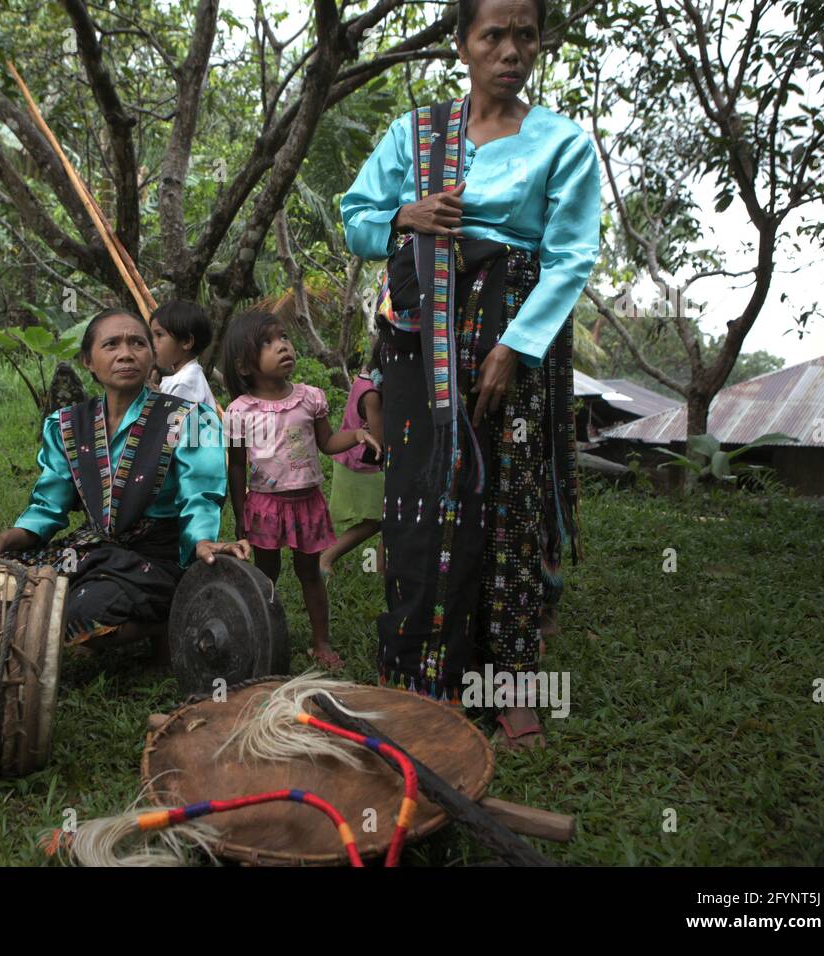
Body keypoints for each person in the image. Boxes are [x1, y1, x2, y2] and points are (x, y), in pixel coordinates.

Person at [339, 0, 599, 749]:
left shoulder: (562, 142)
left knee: (510, 496)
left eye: (526, 34)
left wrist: (514, 346)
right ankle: (423, 682)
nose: (511, 49)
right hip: (423, 334)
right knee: (424, 500)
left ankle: (511, 684)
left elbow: (573, 253)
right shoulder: (416, 136)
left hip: (518, 331)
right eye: (494, 34)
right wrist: (405, 216)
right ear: (462, 45)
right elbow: (356, 217)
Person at [0, 308, 248, 649]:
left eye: (138, 343)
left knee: (79, 616)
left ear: (151, 356)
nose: (126, 353)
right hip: (91, 550)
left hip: (158, 558)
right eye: (111, 344)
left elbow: (201, 494)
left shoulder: (189, 419)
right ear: (88, 360)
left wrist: (201, 540)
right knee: (3, 582)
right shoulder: (68, 425)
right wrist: (6, 540)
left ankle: (169, 619)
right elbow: (48, 506)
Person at [222, 311, 381, 671]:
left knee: (310, 574)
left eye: (283, 338)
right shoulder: (239, 411)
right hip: (265, 506)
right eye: (267, 342)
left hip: (307, 502)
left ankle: (321, 643)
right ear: (245, 365)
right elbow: (235, 465)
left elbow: (326, 444)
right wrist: (239, 514)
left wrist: (356, 434)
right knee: (266, 576)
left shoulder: (310, 398)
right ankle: (263, 634)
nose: (282, 346)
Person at [319, 337, 385, 578]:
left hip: (355, 457)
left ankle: (380, 568)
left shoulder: (365, 376)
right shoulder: (373, 394)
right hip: (364, 461)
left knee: (383, 518)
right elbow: (379, 438)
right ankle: (327, 557)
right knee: (379, 519)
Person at [149, 299, 220, 411]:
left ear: (186, 341)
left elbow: (170, 425)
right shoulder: (188, 378)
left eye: (159, 335)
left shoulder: (183, 385)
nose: (152, 342)